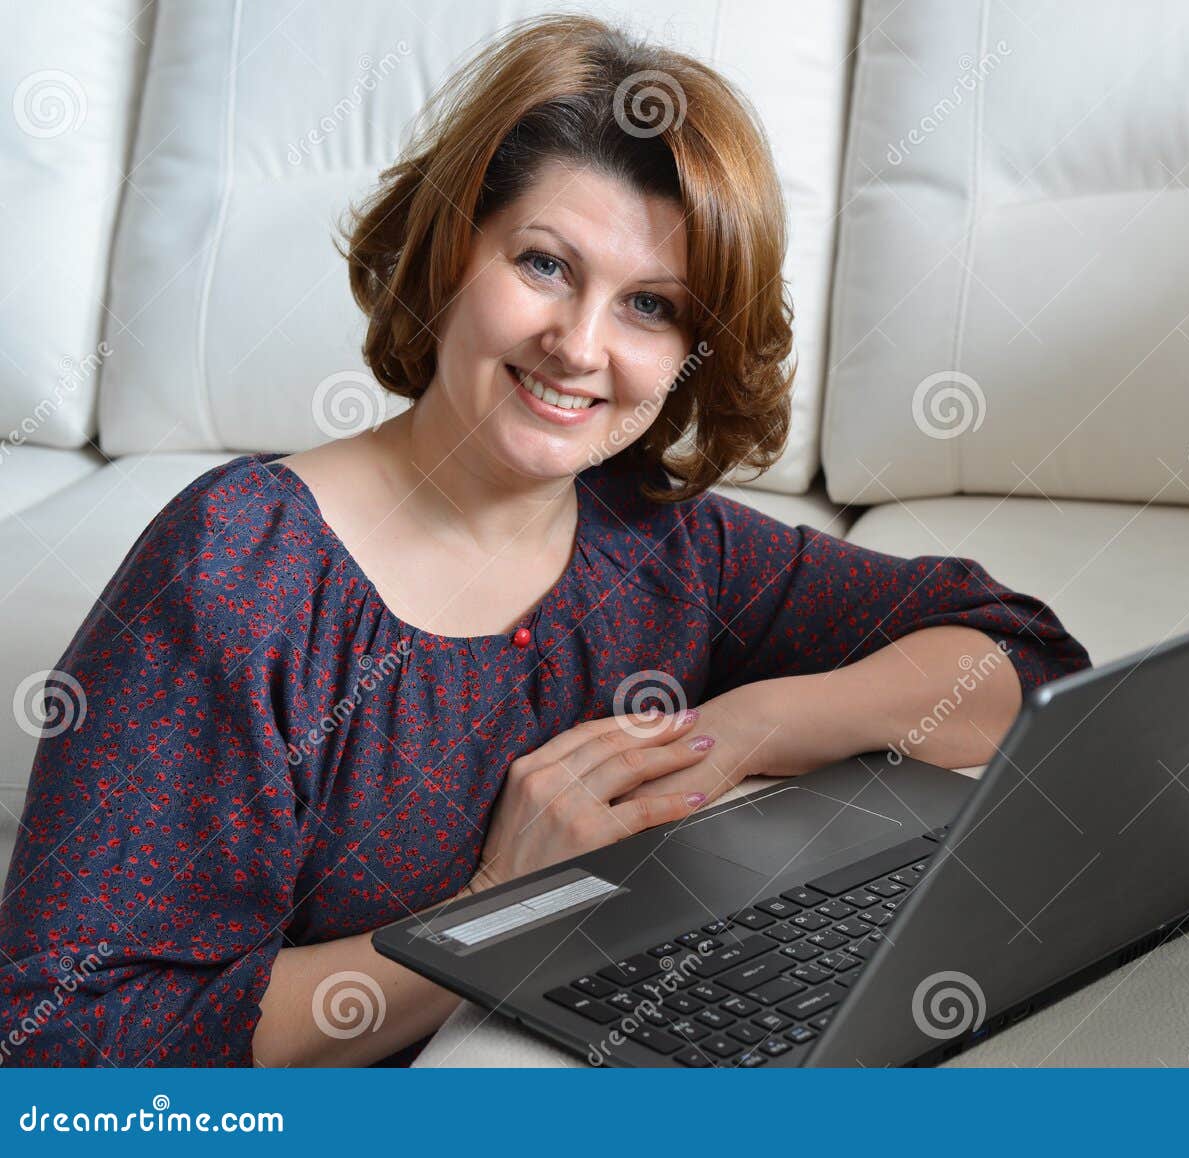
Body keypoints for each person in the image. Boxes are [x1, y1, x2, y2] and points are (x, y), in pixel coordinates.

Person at [0, 14, 1089, 1067]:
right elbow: (73, 1051)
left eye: (651, 307)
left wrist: (743, 730)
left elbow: (1017, 660)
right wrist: (494, 917)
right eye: (544, 265)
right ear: (449, 253)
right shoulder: (238, 575)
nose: (579, 347)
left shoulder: (666, 546)